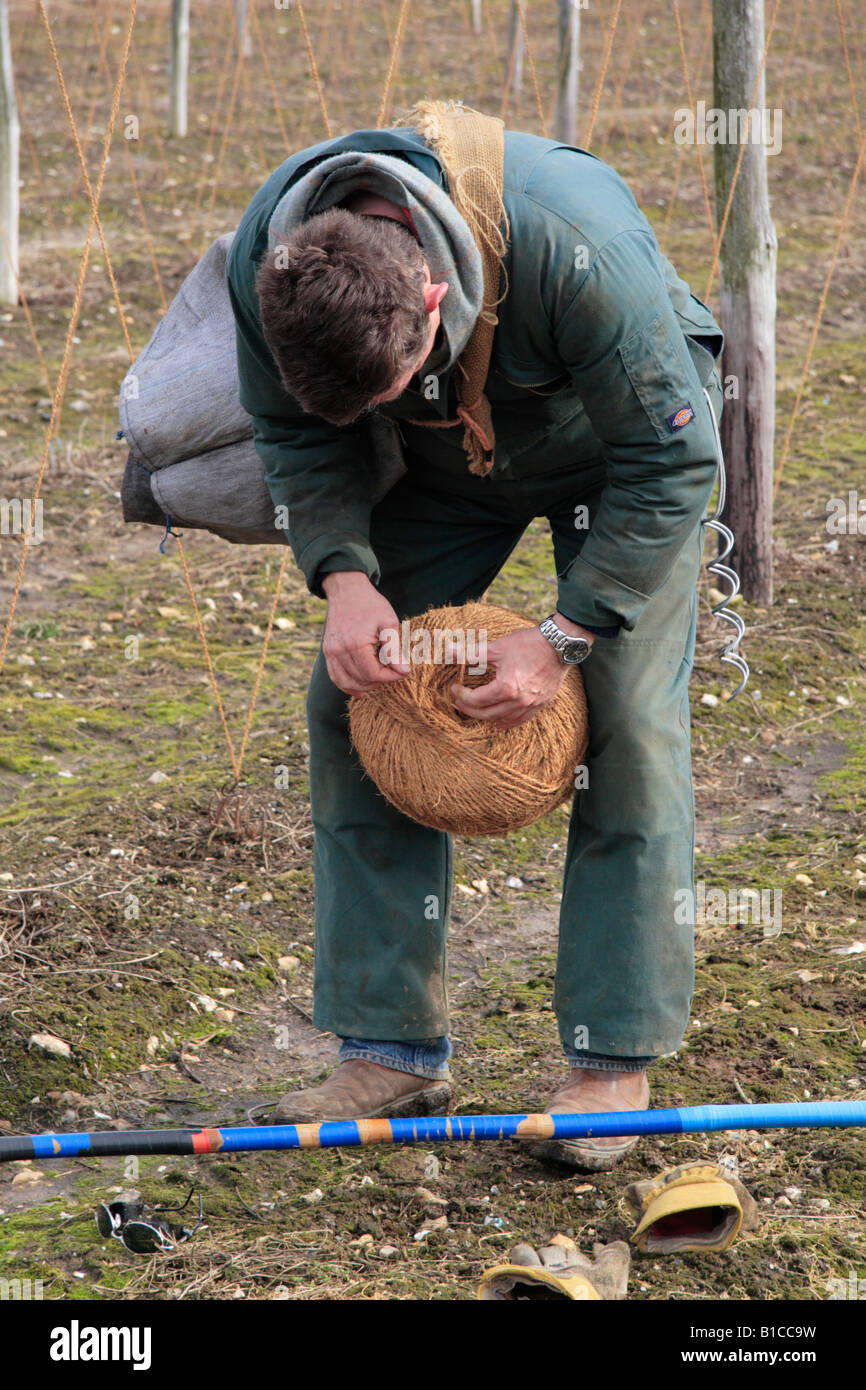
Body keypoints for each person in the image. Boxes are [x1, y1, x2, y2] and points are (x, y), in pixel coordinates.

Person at [226, 116, 724, 1170]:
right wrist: (344, 575)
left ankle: (611, 1058)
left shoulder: (571, 242)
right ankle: (390, 1046)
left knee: (627, 726)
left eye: (383, 384)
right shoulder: (271, 259)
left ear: (431, 299)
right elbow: (292, 433)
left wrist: (565, 632)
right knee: (354, 697)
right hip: (444, 462)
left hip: (617, 457)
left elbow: (673, 464)